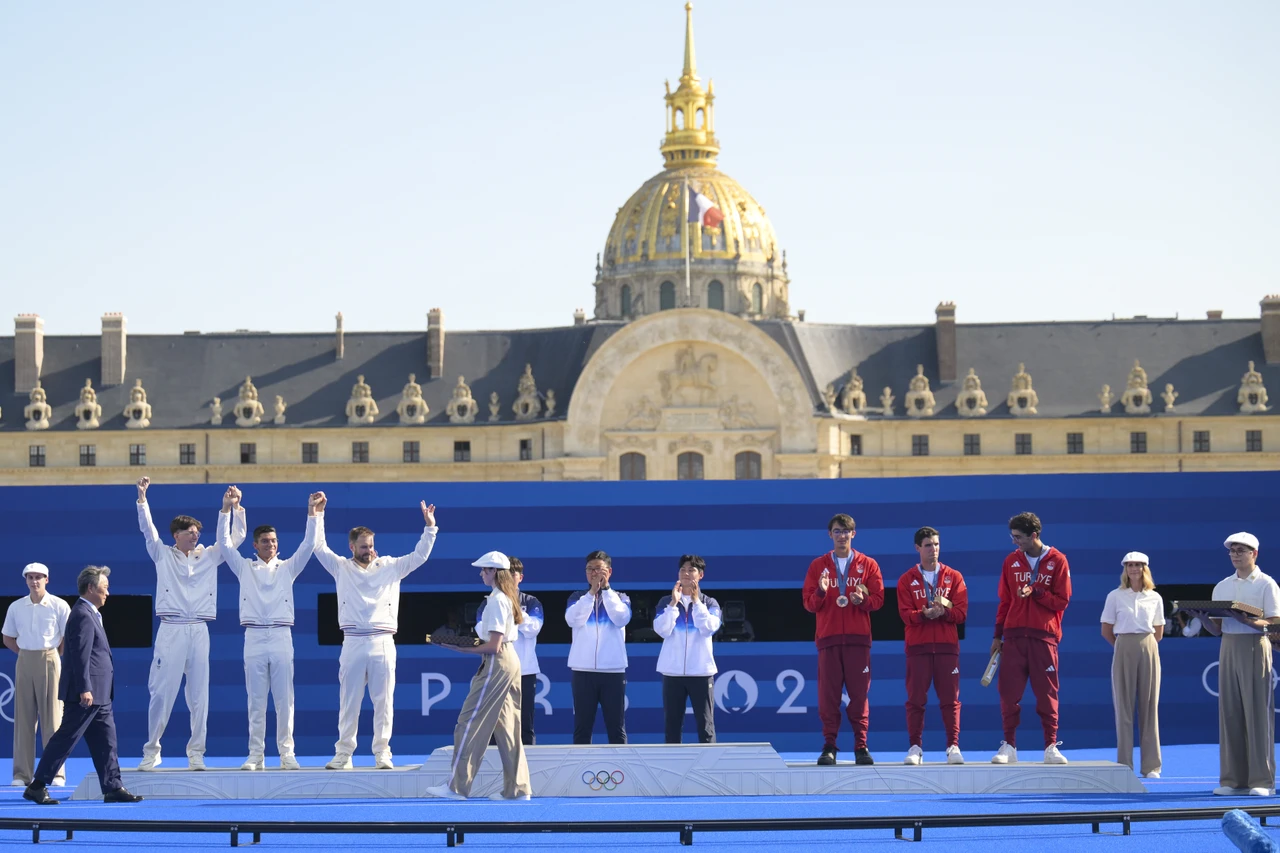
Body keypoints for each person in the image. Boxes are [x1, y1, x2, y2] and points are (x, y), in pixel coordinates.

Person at [314, 498, 438, 770]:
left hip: (383, 641)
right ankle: (344, 754)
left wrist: (430, 528)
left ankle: (382, 753)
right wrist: (318, 516)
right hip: (353, 642)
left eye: (370, 546)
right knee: (349, 702)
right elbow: (319, 548)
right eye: (363, 547)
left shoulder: (391, 566)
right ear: (351, 547)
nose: (369, 551)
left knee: (384, 702)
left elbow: (420, 556)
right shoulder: (341, 568)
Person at [136, 477, 247, 771]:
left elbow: (235, 538)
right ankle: (152, 751)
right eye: (190, 531)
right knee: (161, 693)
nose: (196, 535)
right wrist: (142, 499)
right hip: (170, 629)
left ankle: (196, 753)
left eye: (198, 531)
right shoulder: (162, 553)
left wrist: (233, 507)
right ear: (176, 535)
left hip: (199, 629)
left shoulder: (209, 556)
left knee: (199, 695)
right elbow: (148, 531)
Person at [218, 487, 323, 771]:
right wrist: (226, 509)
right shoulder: (244, 568)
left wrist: (312, 512)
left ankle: (287, 754)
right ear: (255, 545)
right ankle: (256, 755)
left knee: (284, 700)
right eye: (265, 541)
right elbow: (225, 545)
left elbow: (308, 544)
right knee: (255, 700)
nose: (271, 545)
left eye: (274, 541)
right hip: (253, 636)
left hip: (280, 636)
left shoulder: (288, 568)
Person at [22, 566, 142, 804]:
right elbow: (78, 655)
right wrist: (84, 688)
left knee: (107, 741)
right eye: (104, 588)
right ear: (90, 588)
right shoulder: (81, 615)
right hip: (85, 694)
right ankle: (37, 786)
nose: (108, 593)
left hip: (101, 694)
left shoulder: (92, 613)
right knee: (66, 738)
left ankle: (112, 787)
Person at [426, 551, 533, 801]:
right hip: (511, 662)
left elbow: (494, 646)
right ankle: (517, 789)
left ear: (495, 572)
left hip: (498, 662)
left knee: (469, 722)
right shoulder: (506, 597)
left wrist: (459, 647)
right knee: (508, 727)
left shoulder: (497, 600)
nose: (481, 573)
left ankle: (456, 787)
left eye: (484, 570)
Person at [1190, 533, 1279, 797]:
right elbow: (1216, 630)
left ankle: (1262, 781)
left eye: (1242, 550)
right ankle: (1232, 779)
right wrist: (1203, 619)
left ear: (1255, 554)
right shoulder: (1222, 586)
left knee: (1257, 714)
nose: (1236, 554)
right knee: (1229, 712)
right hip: (1227, 645)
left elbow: (1274, 624)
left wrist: (1248, 621)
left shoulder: (1267, 584)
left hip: (1255, 645)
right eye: (1232, 551)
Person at [802, 513, 885, 766]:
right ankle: (830, 746)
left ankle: (861, 746)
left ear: (853, 534)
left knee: (859, 695)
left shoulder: (868, 564)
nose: (841, 536)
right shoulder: (818, 566)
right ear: (830, 535)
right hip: (828, 639)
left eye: (846, 531)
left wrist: (864, 601)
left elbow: (879, 600)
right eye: (837, 531)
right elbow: (808, 604)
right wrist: (821, 591)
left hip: (858, 639)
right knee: (828, 696)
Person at [990, 511, 1072, 765]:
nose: (1015, 542)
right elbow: (1005, 601)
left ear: (1034, 535)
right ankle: (1009, 746)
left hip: (1043, 637)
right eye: (1012, 536)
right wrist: (997, 635)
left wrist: (1037, 592)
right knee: (1009, 693)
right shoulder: (1011, 562)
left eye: (1019, 537)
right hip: (1014, 637)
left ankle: (1051, 746)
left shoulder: (1058, 560)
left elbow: (1062, 601)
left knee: (1047, 693)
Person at [896, 527, 968, 765]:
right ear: (918, 548)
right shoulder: (906, 579)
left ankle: (953, 746)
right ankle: (915, 747)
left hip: (947, 647)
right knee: (916, 700)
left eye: (936, 544)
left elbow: (961, 613)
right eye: (928, 545)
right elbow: (905, 614)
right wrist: (924, 614)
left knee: (950, 700)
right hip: (919, 648)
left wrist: (944, 613)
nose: (933, 550)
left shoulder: (953, 576)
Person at [3, 562, 70, 787]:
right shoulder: (16, 607)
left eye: (39, 577)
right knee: (23, 720)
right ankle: (21, 775)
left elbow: (66, 638)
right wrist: (24, 654)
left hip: (50, 659)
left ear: (47, 580)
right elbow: (7, 637)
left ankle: (56, 774)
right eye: (30, 577)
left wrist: (53, 656)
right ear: (25, 580)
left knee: (53, 720)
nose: (34, 581)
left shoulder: (59, 605)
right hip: (24, 660)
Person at [1100, 551, 1164, 778]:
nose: (1134, 569)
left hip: (1148, 646)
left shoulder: (1155, 597)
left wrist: (1143, 646)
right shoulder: (1115, 596)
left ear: (1145, 568)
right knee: (1124, 708)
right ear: (1125, 569)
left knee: (1149, 707)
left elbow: (1158, 631)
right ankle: (1124, 765)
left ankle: (1151, 767)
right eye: (1129, 565)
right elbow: (1106, 630)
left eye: (1138, 565)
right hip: (1123, 645)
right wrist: (1123, 647)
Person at [654, 555, 723, 744]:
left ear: (700, 575)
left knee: (705, 725)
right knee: (672, 725)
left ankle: (709, 769)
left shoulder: (710, 603)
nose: (686, 573)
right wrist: (673, 605)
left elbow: (708, 628)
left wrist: (696, 603)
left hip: (701, 672)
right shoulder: (666, 602)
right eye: (683, 569)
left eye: (691, 570)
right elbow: (662, 630)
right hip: (672, 673)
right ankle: (671, 769)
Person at [474, 557, 543, 745]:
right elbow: (481, 630)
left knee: (524, 723)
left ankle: (526, 769)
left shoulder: (531, 601)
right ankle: (493, 768)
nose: (510, 577)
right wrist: (509, 619)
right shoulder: (489, 601)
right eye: (507, 572)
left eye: (514, 574)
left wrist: (511, 613)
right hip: (497, 669)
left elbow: (534, 628)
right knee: (494, 721)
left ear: (520, 577)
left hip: (525, 671)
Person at [566, 550, 631, 744]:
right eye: (590, 569)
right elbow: (573, 620)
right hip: (582, 671)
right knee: (582, 727)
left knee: (616, 727)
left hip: (613, 671)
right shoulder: (577, 597)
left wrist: (606, 591)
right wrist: (591, 594)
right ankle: (580, 772)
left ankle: (622, 772)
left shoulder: (621, 597)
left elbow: (621, 618)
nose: (594, 573)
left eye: (599, 569)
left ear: (609, 571)